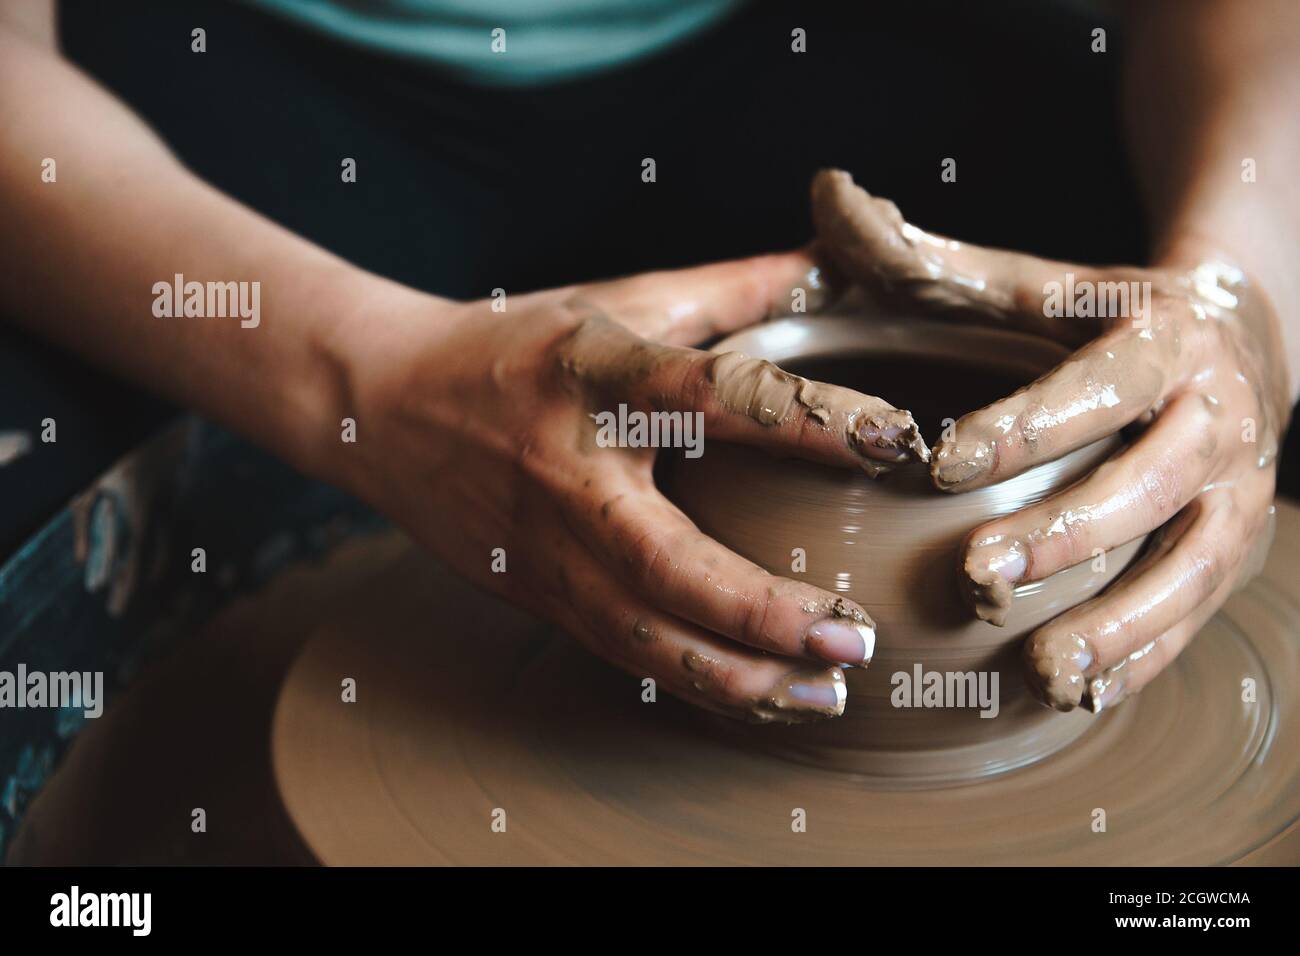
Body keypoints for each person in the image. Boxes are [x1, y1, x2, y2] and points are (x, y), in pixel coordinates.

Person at [0, 0, 1295, 722]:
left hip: (811, 52)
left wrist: (1241, 301)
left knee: (1186, 379)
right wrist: (361, 381)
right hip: (209, 83)